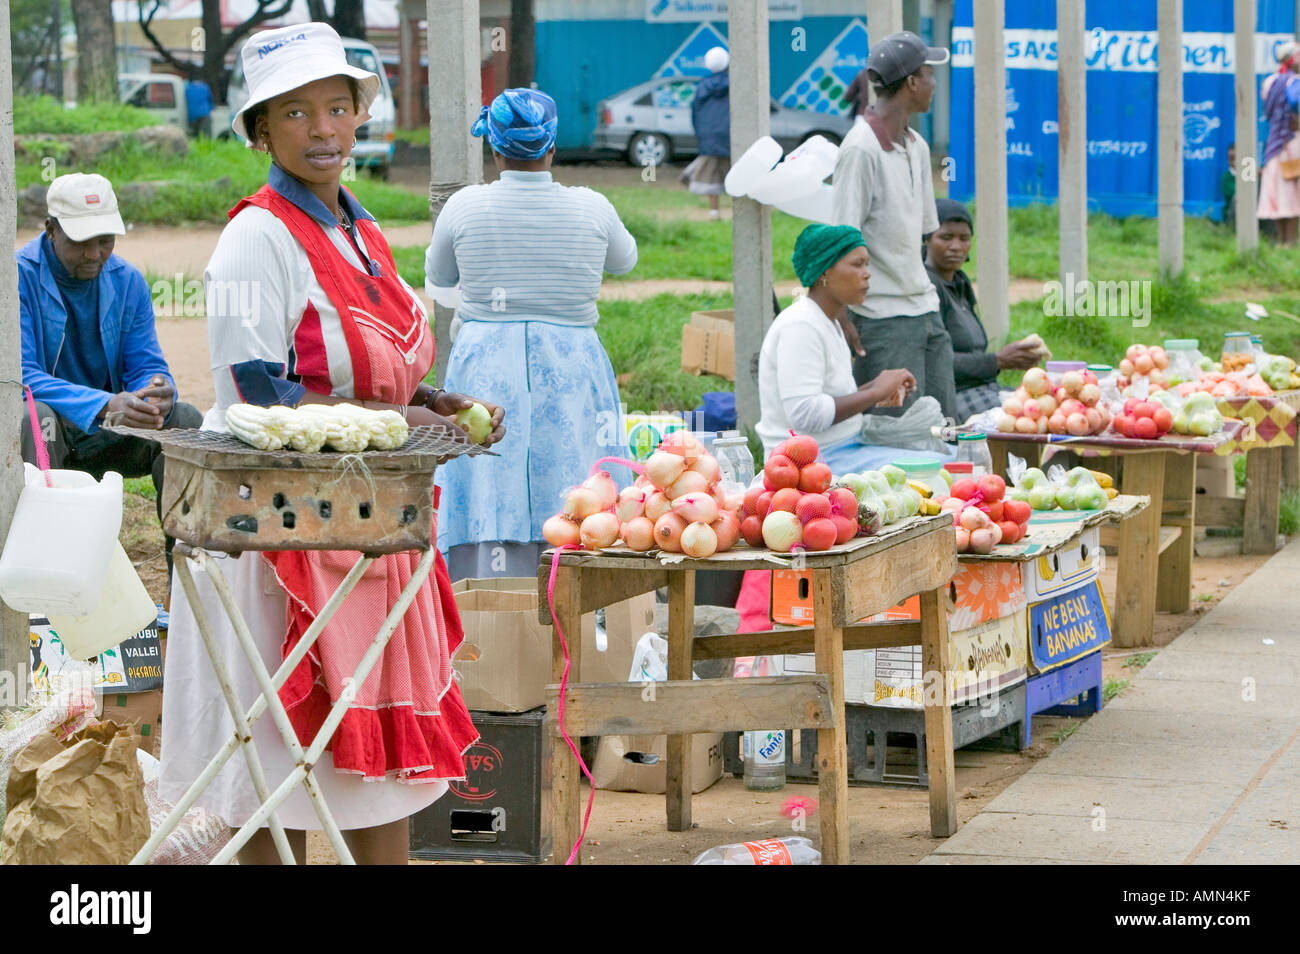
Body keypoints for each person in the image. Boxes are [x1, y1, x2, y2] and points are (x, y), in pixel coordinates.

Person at [160, 23, 503, 865]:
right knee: (277, 758)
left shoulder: (365, 232)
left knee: (375, 768)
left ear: (359, 119)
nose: (322, 129)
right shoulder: (257, 236)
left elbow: (376, 366)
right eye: (297, 112)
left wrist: (431, 398)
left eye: (338, 108)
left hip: (373, 529)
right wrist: (399, 427)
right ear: (262, 129)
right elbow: (254, 397)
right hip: (284, 545)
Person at [426, 88, 638, 581]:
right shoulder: (592, 207)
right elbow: (625, 260)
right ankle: (577, 589)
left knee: (486, 470)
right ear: (553, 147)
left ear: (495, 149)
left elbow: (438, 276)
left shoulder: (464, 206)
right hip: (570, 358)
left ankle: (484, 600)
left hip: (484, 361)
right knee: (575, 469)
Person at [17, 173, 203, 558]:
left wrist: (156, 389)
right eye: (81, 243)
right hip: (52, 433)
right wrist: (103, 404)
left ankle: (185, 578)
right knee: (35, 415)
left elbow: (146, 364)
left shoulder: (128, 281)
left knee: (183, 419)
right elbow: (22, 376)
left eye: (105, 241)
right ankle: (51, 567)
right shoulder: (15, 277)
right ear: (50, 229)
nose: (95, 254)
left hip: (107, 429)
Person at [829, 31, 957, 421]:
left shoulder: (916, 145)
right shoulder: (859, 149)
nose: (935, 83)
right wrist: (842, 317)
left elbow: (919, 235)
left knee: (943, 429)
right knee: (900, 438)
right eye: (930, 74)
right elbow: (840, 242)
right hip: (882, 320)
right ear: (913, 82)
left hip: (925, 310)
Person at [756, 224, 921, 474]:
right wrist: (875, 392)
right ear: (824, 272)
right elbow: (805, 415)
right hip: (808, 464)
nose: (867, 274)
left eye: (867, 265)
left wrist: (879, 386)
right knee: (944, 467)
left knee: (949, 457)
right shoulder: (801, 325)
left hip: (843, 447)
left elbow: (827, 398)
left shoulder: (828, 320)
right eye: (857, 265)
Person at [924, 198, 1042, 421]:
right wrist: (997, 361)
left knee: (1042, 407)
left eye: (964, 238)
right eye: (946, 237)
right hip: (952, 396)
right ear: (927, 239)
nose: (956, 246)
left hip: (984, 387)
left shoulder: (960, 283)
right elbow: (935, 359)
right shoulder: (927, 287)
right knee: (1022, 418)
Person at [681, 46, 731, 220]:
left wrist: (701, 133)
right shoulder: (735, 83)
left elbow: (695, 113)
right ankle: (739, 211)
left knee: (711, 173)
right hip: (731, 135)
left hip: (709, 137)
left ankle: (714, 210)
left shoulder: (703, 86)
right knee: (736, 174)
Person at [1259, 41, 1300, 245]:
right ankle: (1291, 242)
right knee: (1292, 194)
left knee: (1276, 192)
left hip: (1273, 145)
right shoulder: (1294, 82)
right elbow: (1295, 104)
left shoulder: (1269, 82)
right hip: (1292, 145)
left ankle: (1281, 242)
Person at [185, 69, 214, 139]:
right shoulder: (205, 87)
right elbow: (210, 99)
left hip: (192, 114)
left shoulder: (188, 88)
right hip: (204, 112)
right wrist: (210, 108)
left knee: (194, 135)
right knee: (206, 135)